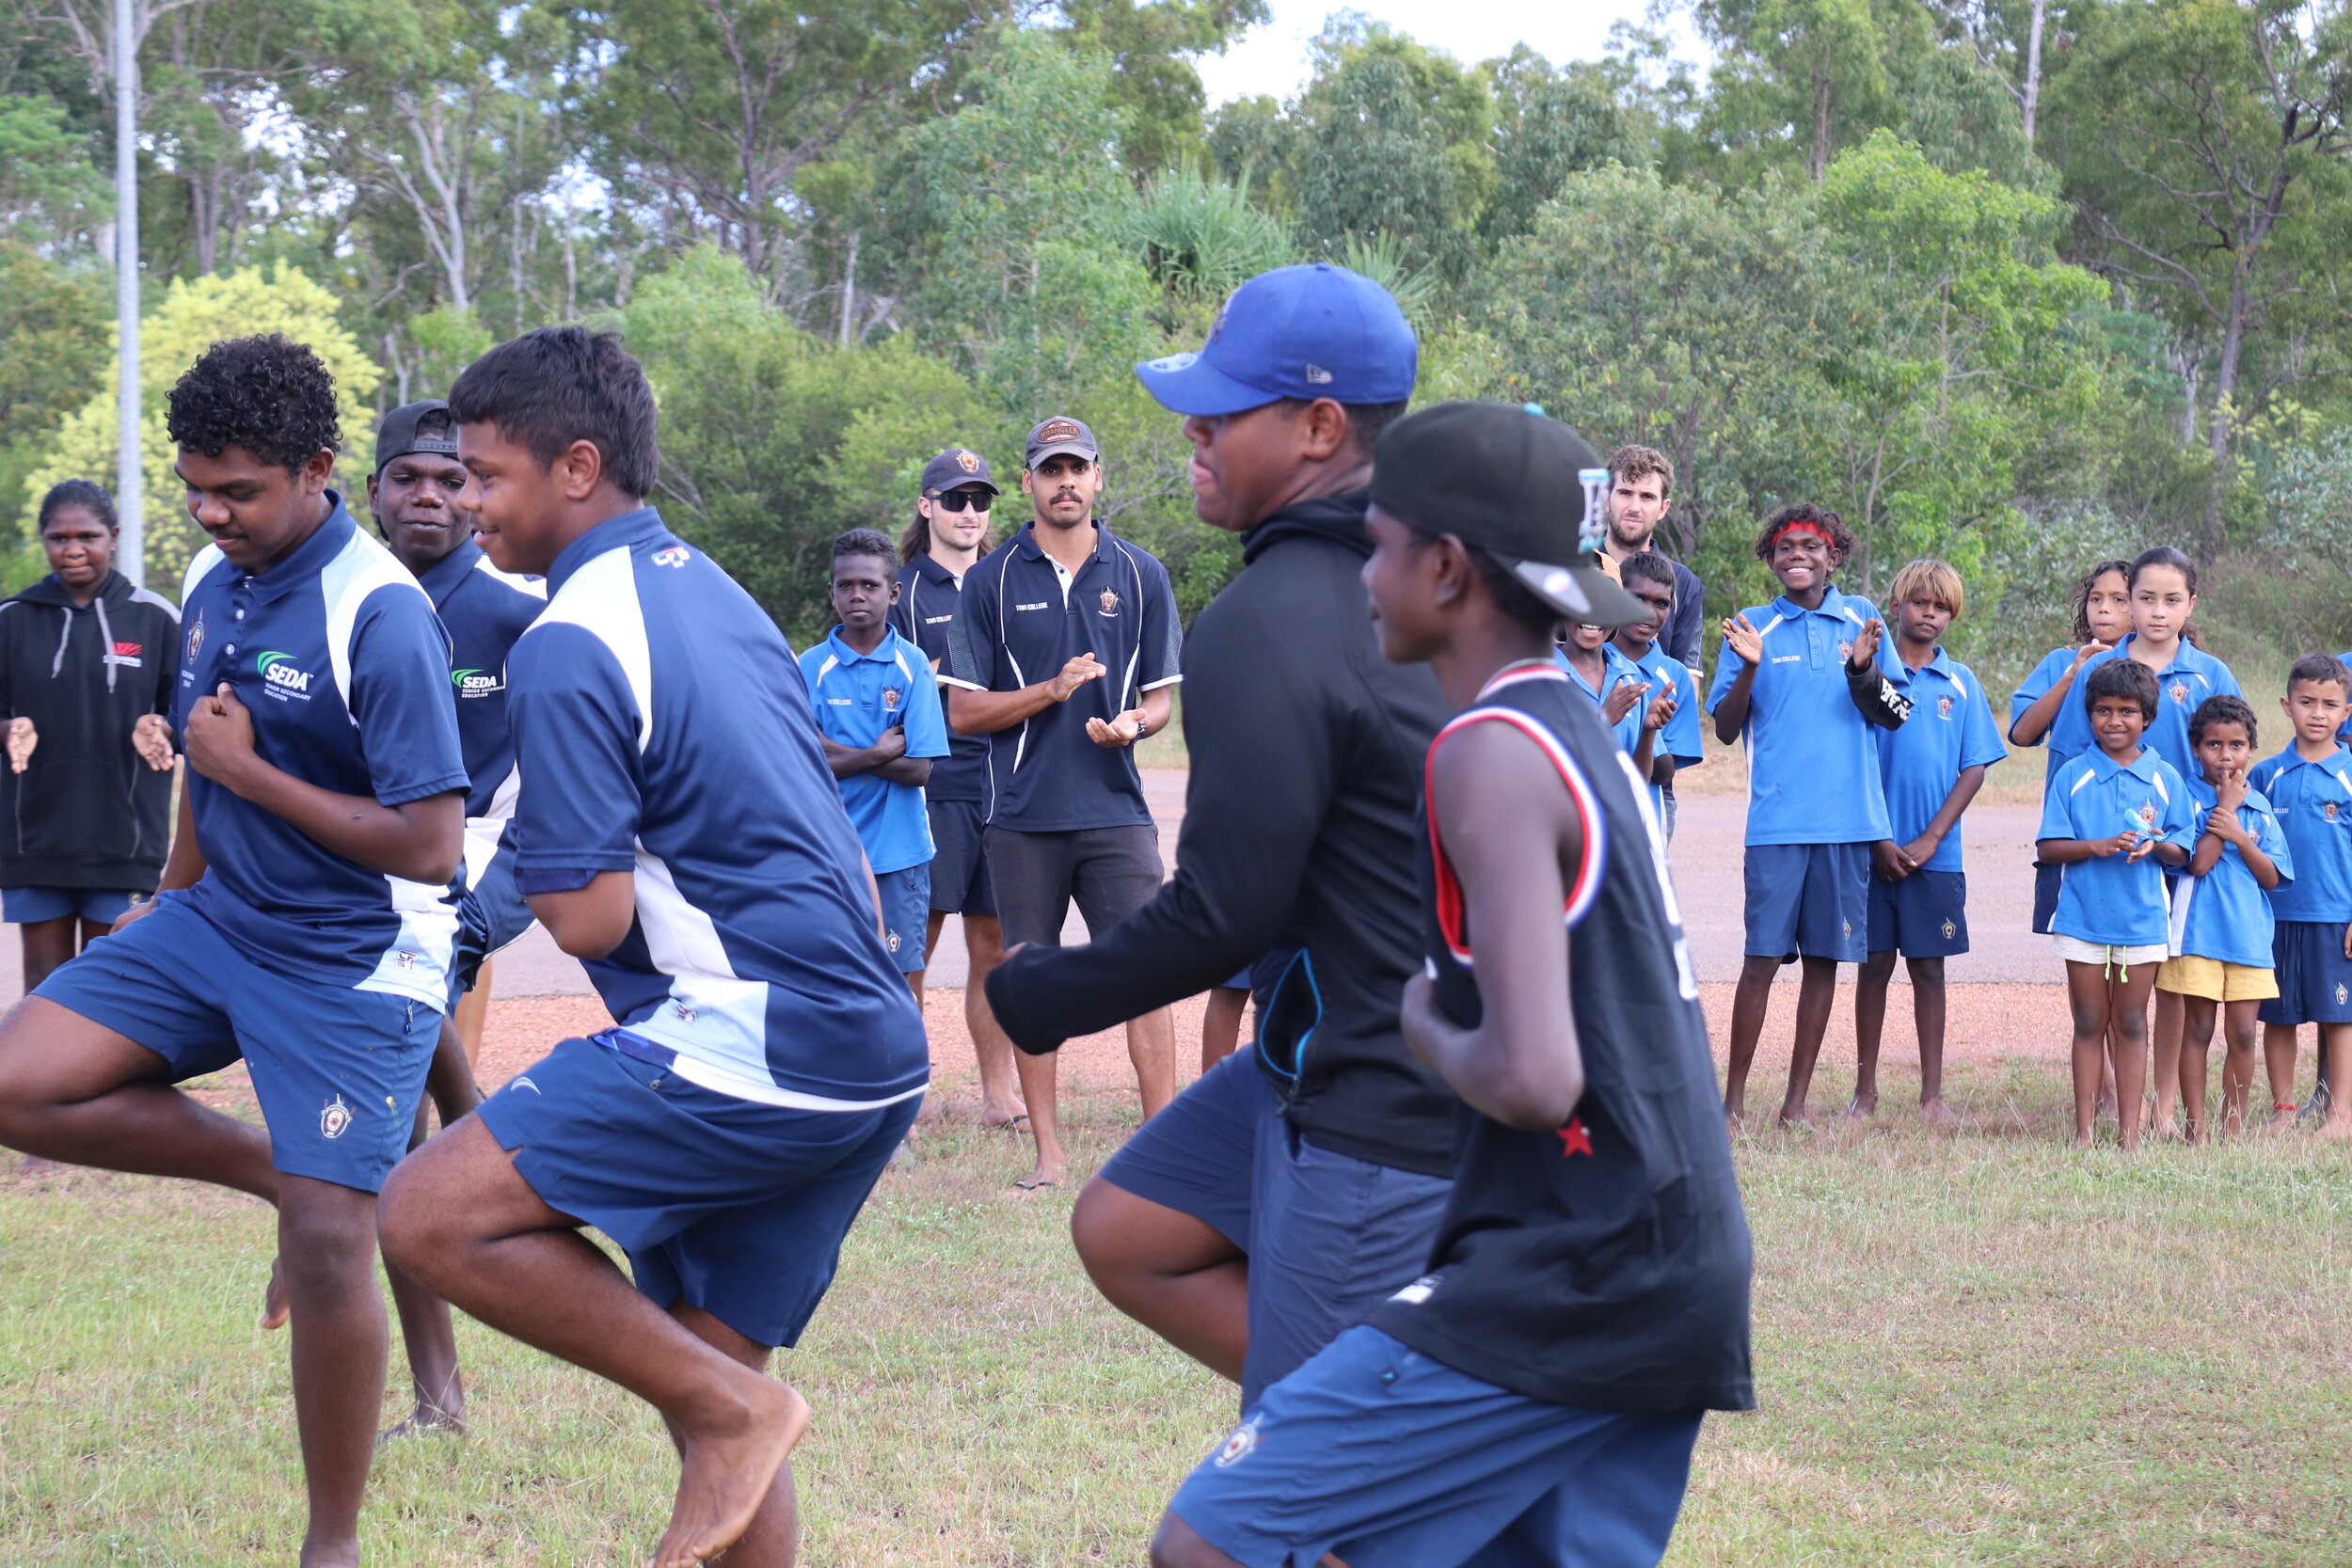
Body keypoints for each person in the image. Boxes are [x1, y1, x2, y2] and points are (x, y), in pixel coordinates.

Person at [1150, 400, 1751, 1568]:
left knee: (1213, 1538)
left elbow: (1533, 1079)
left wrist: (1425, 1024)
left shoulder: (1483, 749)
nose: (1362, 576)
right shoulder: (1572, 724)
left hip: (1576, 1269)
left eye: (1374, 546)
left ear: (1445, 568)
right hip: (1672, 1257)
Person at [379, 326, 929, 1568]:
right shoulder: (715, 590)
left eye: (485, 475)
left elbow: (587, 916)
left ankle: (737, 1411)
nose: (466, 502)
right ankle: (732, 1412)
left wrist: (511, 857)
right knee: (708, 1382)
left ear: (577, 467)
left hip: (755, 1038)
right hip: (872, 1042)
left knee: (426, 1210)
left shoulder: (566, 638)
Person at [0, 334, 468, 1568]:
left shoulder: (381, 613)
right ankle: (280, 1167)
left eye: (238, 490)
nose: (210, 512)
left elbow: (429, 846)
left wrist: (249, 772)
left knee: (329, 1240)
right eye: (195, 487)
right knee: (17, 1080)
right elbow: (207, 763)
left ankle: (331, 1544)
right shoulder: (216, 574)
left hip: (353, 949)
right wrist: (168, 896)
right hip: (217, 918)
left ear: (317, 469)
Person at [983, 262, 1453, 1411]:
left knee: (1286, 1480)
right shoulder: (1428, 574)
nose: (1191, 429)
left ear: (1320, 427)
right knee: (1127, 1225)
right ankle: (1387, 1405)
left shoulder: (1273, 614)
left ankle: (1375, 1421)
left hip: (1385, 1087)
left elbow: (1226, 910)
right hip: (1341, 1031)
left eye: (1222, 408)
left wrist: (1042, 991)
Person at [364, 396, 548, 1436]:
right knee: (426, 1115)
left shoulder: (520, 614)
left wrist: (481, 909)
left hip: (458, 887)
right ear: (374, 489)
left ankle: (441, 1395)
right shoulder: (348, 595)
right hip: (356, 881)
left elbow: (569, 780)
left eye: (452, 478)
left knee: (399, 1131)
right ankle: (498, 1158)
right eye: (409, 478)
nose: (430, 497)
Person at [941, 414, 1184, 1191]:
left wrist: (1133, 725)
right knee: (1032, 981)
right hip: (1022, 816)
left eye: (1078, 467)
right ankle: (1049, 1158)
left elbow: (1160, 702)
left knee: (1147, 976)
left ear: (1098, 477)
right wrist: (1050, 691)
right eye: (1051, 469)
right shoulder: (990, 580)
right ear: (1028, 482)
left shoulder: (1141, 574)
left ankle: (1162, 1152)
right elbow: (962, 712)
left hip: (1118, 812)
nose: (1066, 482)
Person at [1708, 502, 1904, 1127]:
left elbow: (1896, 713)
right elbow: (1726, 726)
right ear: (1770, 559)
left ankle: (1795, 1105)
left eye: (1811, 546)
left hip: (1848, 824)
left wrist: (1863, 669)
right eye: (1784, 547)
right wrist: (1749, 665)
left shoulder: (1862, 618)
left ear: (1833, 556)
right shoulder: (1752, 626)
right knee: (1761, 960)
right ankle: (1732, 1104)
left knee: (1824, 962)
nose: (1797, 555)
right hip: (1777, 824)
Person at [2044, 547, 2240, 1134]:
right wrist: (2088, 837)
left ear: (2190, 604)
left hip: (2187, 844)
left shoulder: (2209, 671)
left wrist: (2215, 822)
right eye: (2146, 598)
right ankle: (2106, 1101)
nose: (2157, 610)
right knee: (2106, 991)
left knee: (2170, 977)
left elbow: (2234, 747)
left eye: (2171, 599)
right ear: (2129, 601)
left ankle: (2163, 1107)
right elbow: (2069, 750)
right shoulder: (2103, 667)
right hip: (2107, 855)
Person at [0, 482, 181, 994]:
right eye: (59, 538)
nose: (73, 549)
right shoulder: (11, 620)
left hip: (124, 841)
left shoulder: (156, 618)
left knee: (109, 988)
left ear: (114, 537)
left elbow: (191, 714)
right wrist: (8, 730)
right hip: (34, 840)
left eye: (88, 536)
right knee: (44, 987)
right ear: (43, 540)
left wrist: (162, 727)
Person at [894, 447, 1025, 1127]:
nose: (969, 512)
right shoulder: (901, 591)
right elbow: (885, 691)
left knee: (995, 945)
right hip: (932, 788)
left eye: (979, 500)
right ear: (927, 507)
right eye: (954, 499)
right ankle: (902, 1094)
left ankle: (998, 1096)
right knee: (914, 942)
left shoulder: (1009, 580)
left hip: (1003, 782)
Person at [1851, 559, 2006, 1123]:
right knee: (1873, 967)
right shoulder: (1870, 675)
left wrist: (1930, 839)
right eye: (1920, 602)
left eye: (1941, 607)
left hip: (1935, 858)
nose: (1930, 614)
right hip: (1871, 849)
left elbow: (1974, 768)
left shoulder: (1960, 683)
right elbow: (1854, 761)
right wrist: (1879, 839)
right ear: (1896, 606)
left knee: (1929, 970)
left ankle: (1932, 1098)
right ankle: (1864, 1093)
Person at [2036, 660, 2196, 1149]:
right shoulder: (2073, 774)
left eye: (2127, 711)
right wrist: (2098, 845)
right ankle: (2084, 1134)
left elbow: (2183, 850)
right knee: (2088, 1021)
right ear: (2089, 715)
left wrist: (2157, 844)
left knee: (2131, 1021)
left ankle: (2130, 1135)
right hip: (2082, 918)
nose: (2114, 720)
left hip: (2142, 922)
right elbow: (2048, 848)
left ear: (2147, 717)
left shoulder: (2165, 777)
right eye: (2103, 710)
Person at [801, 528, 950, 998]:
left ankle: (903, 1052)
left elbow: (920, 769)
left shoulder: (913, 664)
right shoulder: (808, 668)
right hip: (827, 855)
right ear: (831, 592)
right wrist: (878, 753)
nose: (857, 595)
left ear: (894, 592)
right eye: (846, 585)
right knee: (829, 984)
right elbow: (799, 765)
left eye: (870, 584)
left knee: (897, 986)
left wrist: (833, 750)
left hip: (898, 855)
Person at [2159, 694, 2290, 1142]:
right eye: (2214, 745)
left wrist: (2241, 833)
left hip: (2249, 938)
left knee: (2244, 1033)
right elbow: (2198, 864)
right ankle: (2196, 1128)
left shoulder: (2261, 807)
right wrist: (2227, 810)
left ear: (2251, 749)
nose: (2225, 755)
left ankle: (2232, 1126)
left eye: (2236, 745)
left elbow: (2272, 877)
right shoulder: (2184, 798)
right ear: (2196, 748)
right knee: (2197, 1028)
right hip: (2197, 935)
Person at [2247, 655, 2352, 1135]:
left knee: (2340, 1017)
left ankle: (2340, 1113)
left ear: (2346, 713)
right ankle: (2284, 1109)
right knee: (2279, 1016)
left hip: (2335, 917)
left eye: (2330, 704)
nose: (2317, 713)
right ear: (2287, 706)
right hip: (2275, 916)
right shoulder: (2266, 774)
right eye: (2307, 702)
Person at [2010, 561, 2133, 934]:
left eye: (2119, 599)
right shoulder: (2061, 661)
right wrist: (2071, 676)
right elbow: (2022, 733)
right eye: (2096, 598)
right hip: (2072, 834)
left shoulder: (2147, 666)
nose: (2104, 608)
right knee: (2076, 944)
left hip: (2134, 833)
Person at [1598, 447, 1703, 839]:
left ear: (1663, 507)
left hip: (1651, 782)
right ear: (1606, 497)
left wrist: (1650, 728)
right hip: (1577, 767)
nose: (1634, 506)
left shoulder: (1684, 584)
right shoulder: (1575, 569)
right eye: (1625, 492)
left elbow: (1682, 677)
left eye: (1647, 496)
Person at [1611, 551, 1703, 831]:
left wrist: (1648, 727)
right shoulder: (1594, 661)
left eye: (1661, 603)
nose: (1648, 611)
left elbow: (1665, 773)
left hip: (1647, 818)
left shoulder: (1675, 676)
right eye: (1637, 598)